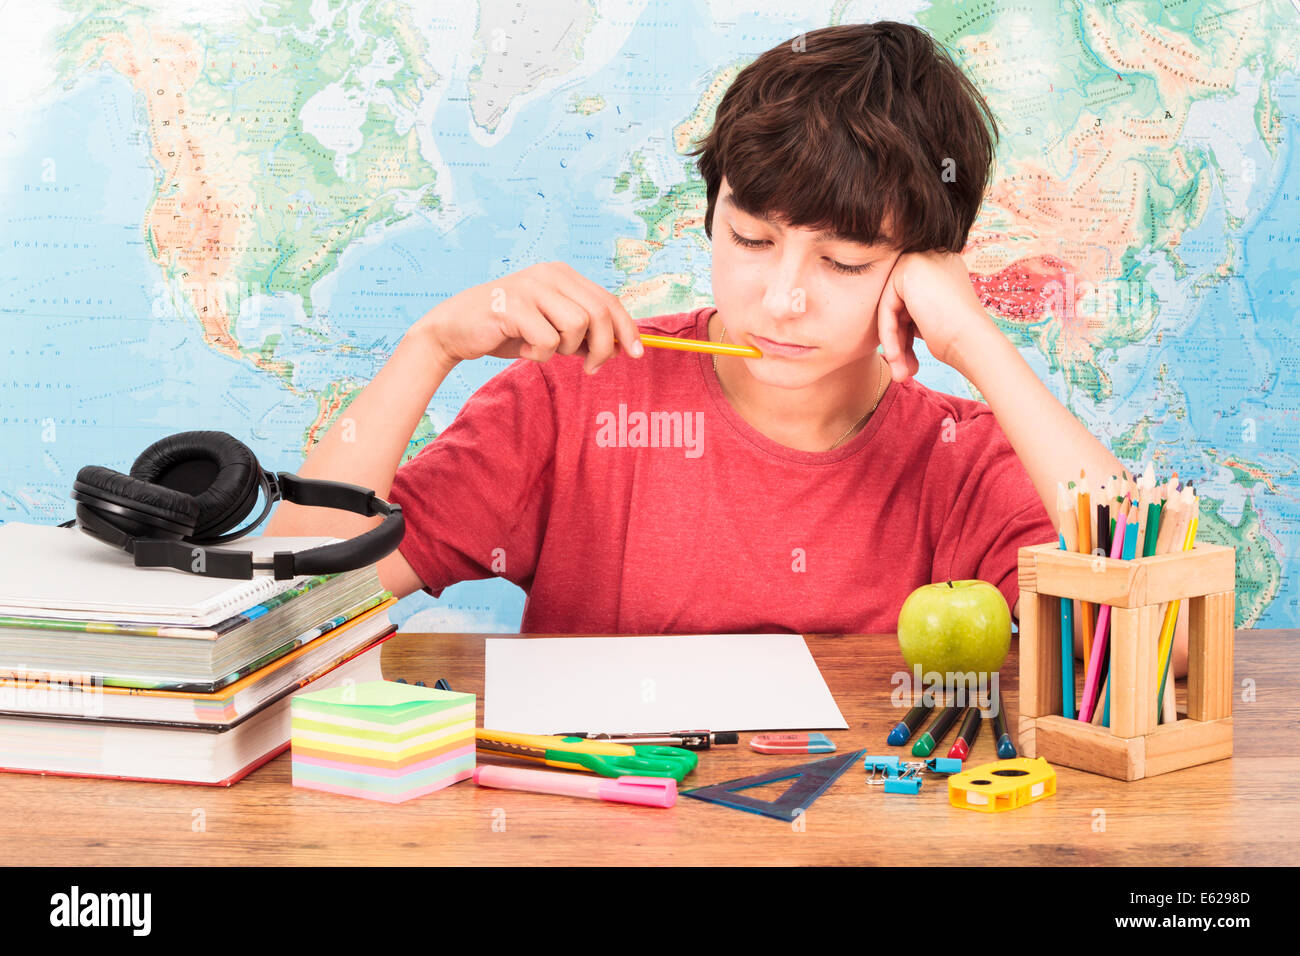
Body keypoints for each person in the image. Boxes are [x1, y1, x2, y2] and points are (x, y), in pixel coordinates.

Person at [266, 21, 1188, 674]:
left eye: (844, 260)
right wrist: (428, 347)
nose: (780, 299)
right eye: (749, 240)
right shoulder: (572, 395)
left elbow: (1173, 644)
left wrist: (979, 343)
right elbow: (287, 604)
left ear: (922, 271)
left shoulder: (961, 458)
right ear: (710, 213)